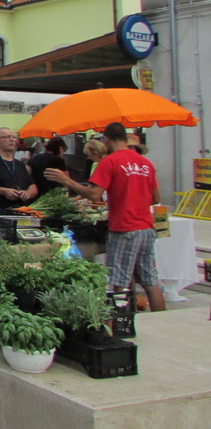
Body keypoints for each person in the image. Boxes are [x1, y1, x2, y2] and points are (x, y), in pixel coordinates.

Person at [44, 122, 165, 312]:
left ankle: (122, 321)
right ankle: (162, 320)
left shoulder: (110, 161)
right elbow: (156, 198)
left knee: (119, 281)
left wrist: (66, 181)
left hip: (124, 227)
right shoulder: (145, 162)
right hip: (146, 228)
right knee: (150, 280)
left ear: (106, 139)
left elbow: (93, 194)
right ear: (125, 138)